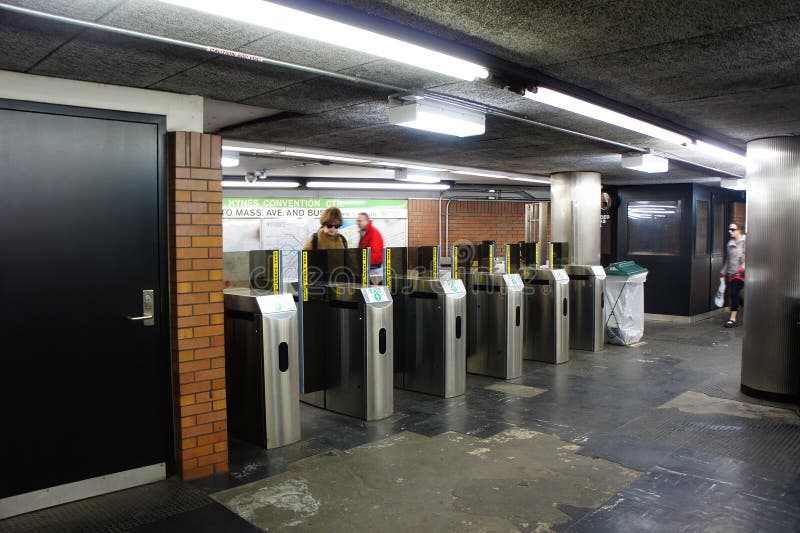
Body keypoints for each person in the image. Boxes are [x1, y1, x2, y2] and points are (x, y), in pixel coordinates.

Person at [720, 222, 745, 328]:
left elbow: (751, 257)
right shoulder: (730, 244)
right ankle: (745, 305)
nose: (730, 231)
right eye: (729, 229)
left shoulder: (746, 242)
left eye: (733, 229)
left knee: (734, 293)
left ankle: (732, 319)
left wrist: (742, 268)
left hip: (742, 274)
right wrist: (723, 272)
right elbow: (728, 260)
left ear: (739, 230)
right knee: (735, 295)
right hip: (731, 274)